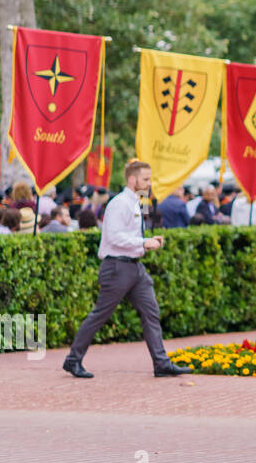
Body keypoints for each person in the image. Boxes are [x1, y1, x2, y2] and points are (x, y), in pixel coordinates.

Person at [62, 160, 192, 379]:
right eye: (145, 179)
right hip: (117, 267)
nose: (149, 183)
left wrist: (148, 240)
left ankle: (161, 363)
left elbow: (135, 232)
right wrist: (143, 243)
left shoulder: (139, 201)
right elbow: (114, 236)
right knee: (101, 314)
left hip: (134, 267)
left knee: (151, 311)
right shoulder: (119, 203)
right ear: (132, 180)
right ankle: (73, 360)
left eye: (150, 179)